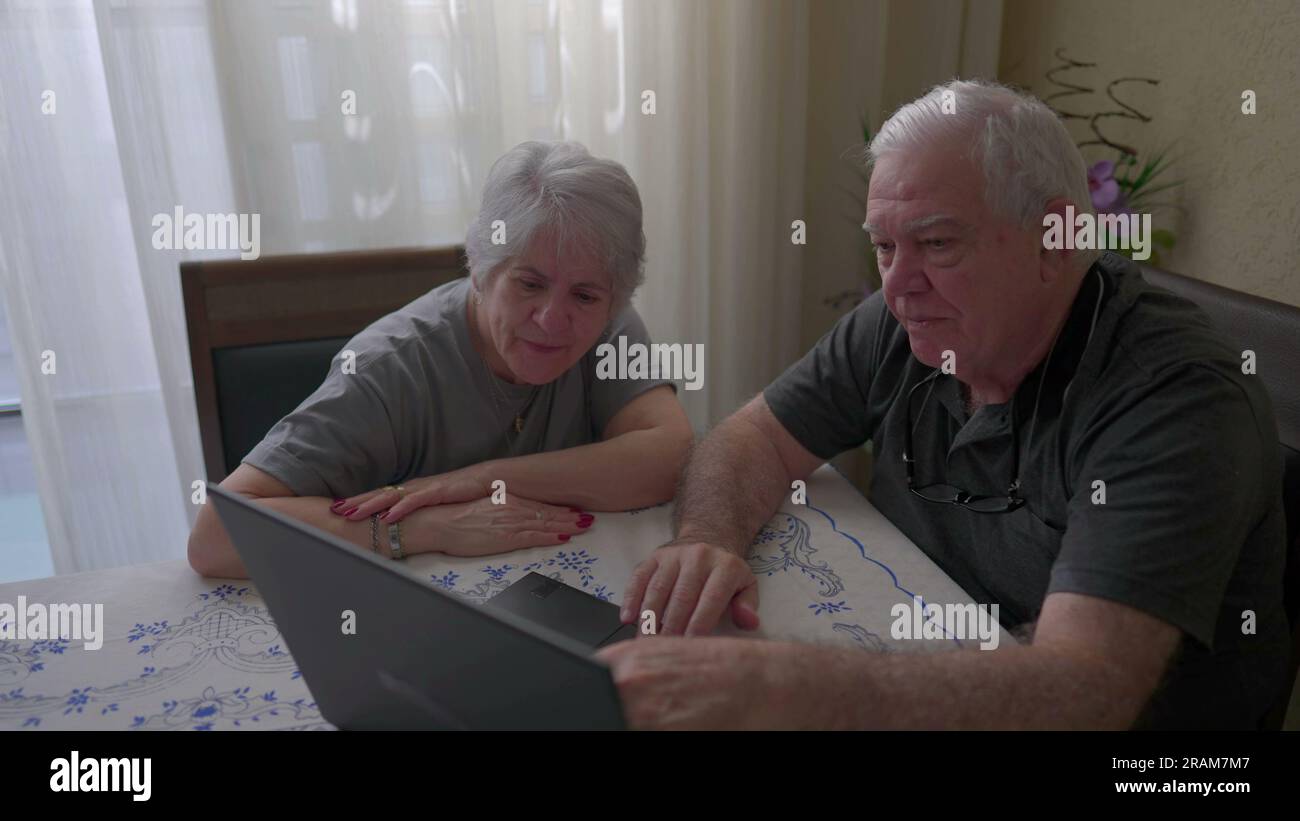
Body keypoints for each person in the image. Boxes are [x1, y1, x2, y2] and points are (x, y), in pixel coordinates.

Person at [604, 79, 1290, 730]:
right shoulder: (910, 319)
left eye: (937, 243)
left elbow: (1085, 691)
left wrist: (786, 689)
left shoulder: (1174, 399)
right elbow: (755, 435)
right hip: (929, 643)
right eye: (883, 246)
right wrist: (707, 539)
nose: (900, 286)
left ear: (1054, 239)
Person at [189, 141, 692, 579]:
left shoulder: (607, 327)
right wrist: (423, 526)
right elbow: (216, 536)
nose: (552, 319)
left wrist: (479, 481)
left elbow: (670, 457)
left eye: (584, 295)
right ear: (480, 269)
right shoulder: (387, 366)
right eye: (530, 283)